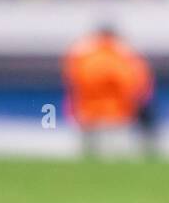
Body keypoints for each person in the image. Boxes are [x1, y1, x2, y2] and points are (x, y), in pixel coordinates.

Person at [62, 24, 156, 157]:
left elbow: (72, 85)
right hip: (116, 115)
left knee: (86, 162)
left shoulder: (81, 56)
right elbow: (136, 86)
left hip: (87, 114)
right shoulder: (124, 56)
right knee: (115, 160)